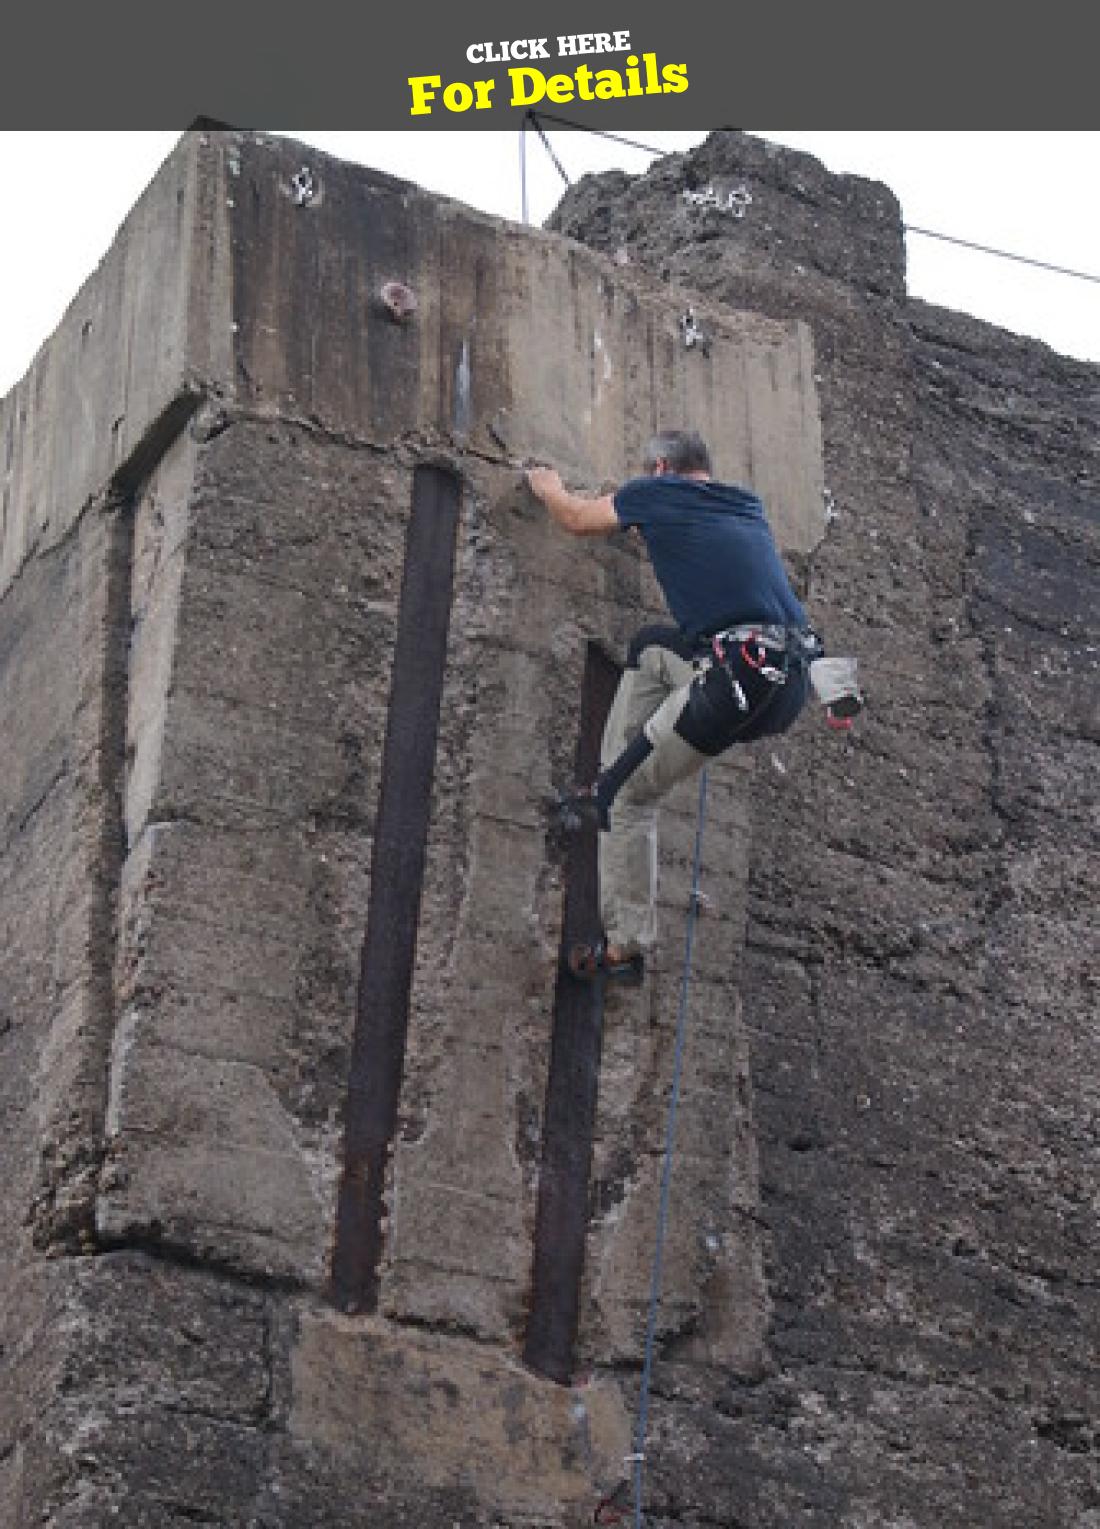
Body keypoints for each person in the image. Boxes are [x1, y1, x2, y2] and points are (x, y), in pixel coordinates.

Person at [526, 428, 858, 986]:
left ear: (659, 468)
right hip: (787, 681)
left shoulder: (654, 495)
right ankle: (612, 777)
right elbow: (782, 603)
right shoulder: (744, 507)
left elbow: (577, 519)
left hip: (735, 681)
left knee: (627, 801)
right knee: (652, 650)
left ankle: (626, 947)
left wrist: (547, 486)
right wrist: (841, 697)